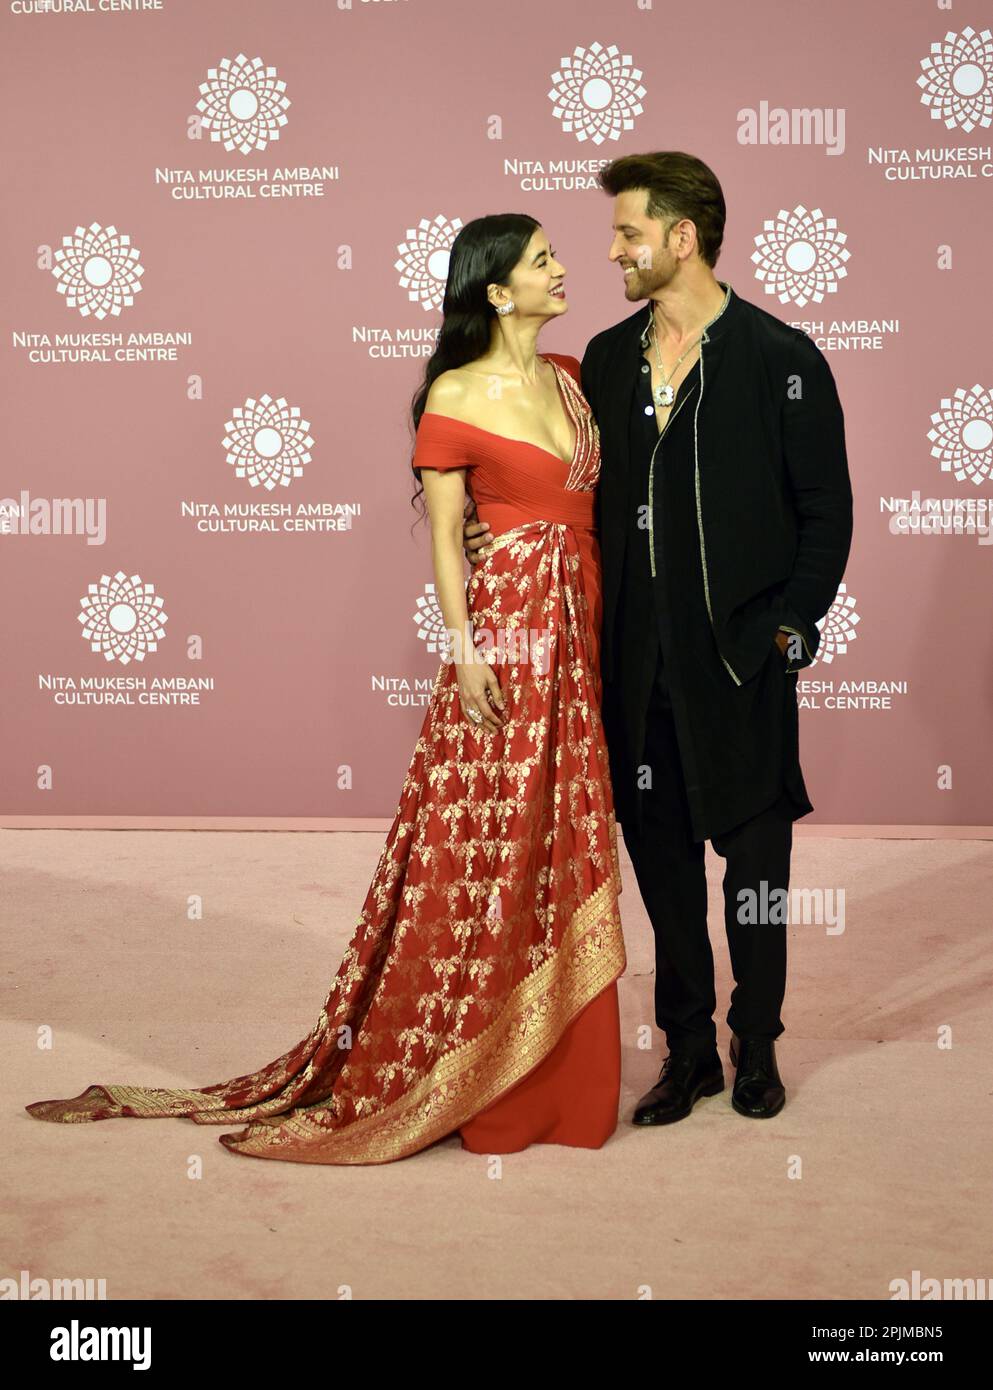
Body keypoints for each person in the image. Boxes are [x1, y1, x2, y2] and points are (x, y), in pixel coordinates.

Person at [24, 214, 627, 1165]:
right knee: (495, 838)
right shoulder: (451, 397)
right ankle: (476, 1066)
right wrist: (467, 650)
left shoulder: (575, 378)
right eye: (542, 260)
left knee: (566, 831)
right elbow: (443, 539)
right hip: (509, 633)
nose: (563, 269)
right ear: (495, 290)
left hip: (585, 622)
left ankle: (561, 1074)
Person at [463, 153, 853, 1125]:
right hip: (635, 676)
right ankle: (688, 1053)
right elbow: (565, 478)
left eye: (628, 232)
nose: (612, 251)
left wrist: (784, 631)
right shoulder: (603, 358)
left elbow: (827, 513)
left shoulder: (783, 359)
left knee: (757, 881)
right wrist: (495, 520)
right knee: (667, 874)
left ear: (682, 237)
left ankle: (755, 1045)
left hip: (740, 667)